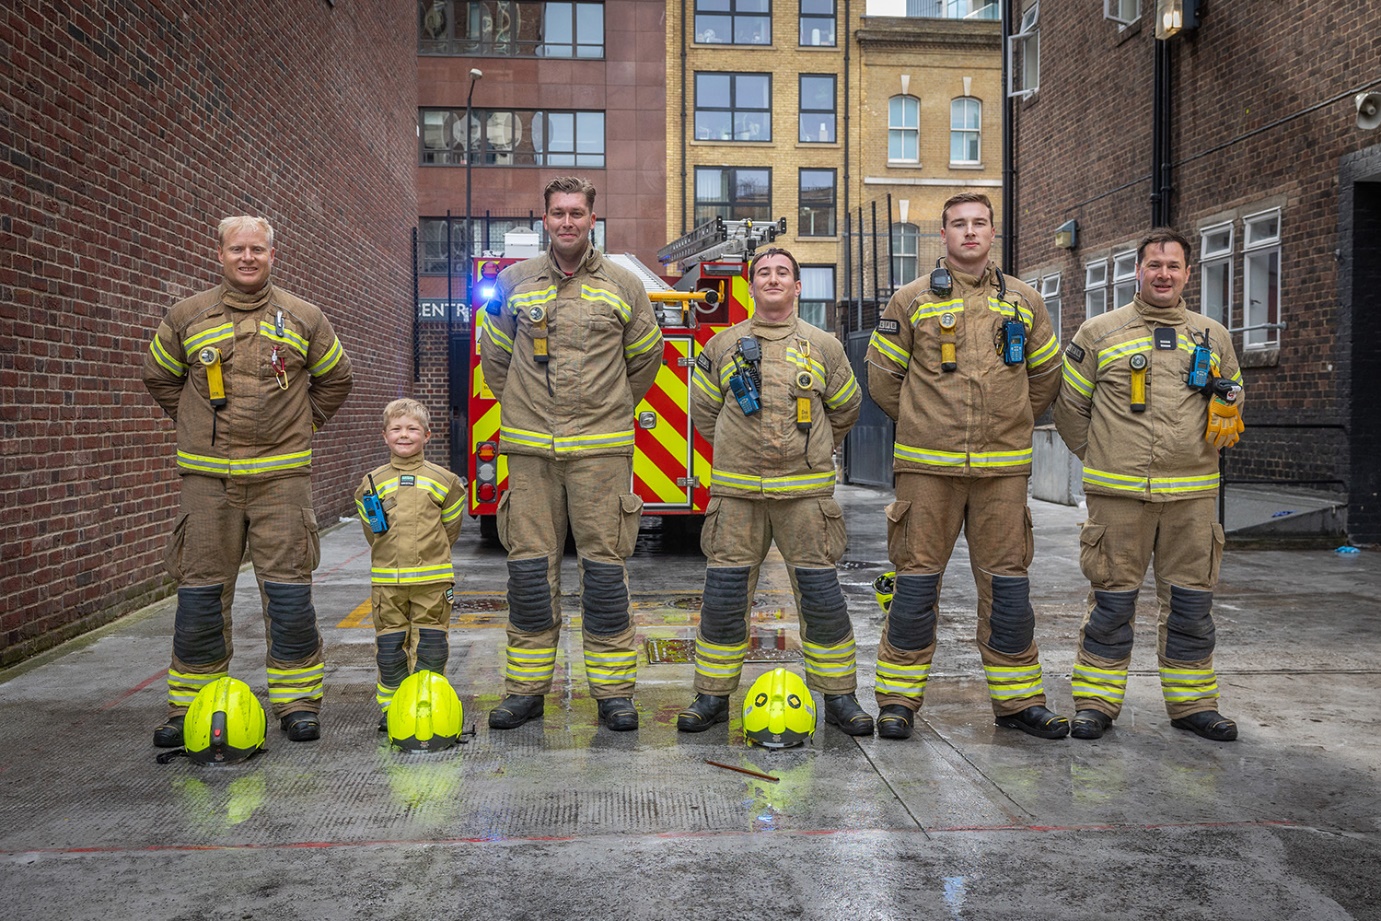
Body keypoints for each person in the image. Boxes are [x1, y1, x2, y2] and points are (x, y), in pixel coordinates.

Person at [865, 192, 1068, 742]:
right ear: (943, 234)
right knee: (915, 584)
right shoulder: (909, 301)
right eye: (959, 224)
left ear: (993, 233)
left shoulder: (1025, 301)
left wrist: (1014, 416)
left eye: (979, 223)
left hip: (1003, 469)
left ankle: (1018, 702)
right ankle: (898, 701)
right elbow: (883, 380)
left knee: (1007, 587)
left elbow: (1047, 377)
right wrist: (923, 419)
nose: (970, 232)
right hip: (926, 470)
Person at [142, 215, 353, 746]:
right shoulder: (186, 316)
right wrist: (194, 423)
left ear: (272, 255)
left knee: (287, 592)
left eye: (257, 249)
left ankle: (298, 702)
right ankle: (190, 708)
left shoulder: (304, 317)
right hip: (207, 481)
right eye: (237, 249)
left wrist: (303, 425)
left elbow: (337, 379)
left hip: (282, 479)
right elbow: (159, 377)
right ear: (219, 253)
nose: (247, 258)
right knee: (200, 593)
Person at [480, 176, 663, 732]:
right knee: (530, 571)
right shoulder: (514, 282)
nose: (566, 222)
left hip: (601, 452)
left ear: (591, 219)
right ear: (545, 218)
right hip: (531, 450)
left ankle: (613, 694)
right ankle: (526, 690)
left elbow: (646, 361)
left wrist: (608, 409)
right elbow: (495, 362)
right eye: (557, 212)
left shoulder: (624, 286)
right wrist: (527, 410)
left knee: (604, 571)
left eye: (576, 213)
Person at [1053, 228, 1244, 742]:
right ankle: (1095, 702)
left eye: (1173, 266)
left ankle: (1193, 705)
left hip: (1193, 495)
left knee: (1191, 603)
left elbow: (1233, 395)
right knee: (1113, 602)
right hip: (1118, 496)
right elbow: (1069, 408)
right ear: (1137, 271)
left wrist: (1230, 400)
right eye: (1154, 265)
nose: (1163, 274)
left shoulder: (1211, 336)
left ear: (1187, 273)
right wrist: (1101, 457)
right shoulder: (1099, 333)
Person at [676, 247, 872, 736]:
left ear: (798, 287)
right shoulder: (721, 347)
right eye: (763, 272)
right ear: (750, 286)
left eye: (783, 272)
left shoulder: (825, 346)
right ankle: (712, 695)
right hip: (737, 495)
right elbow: (703, 414)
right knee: (723, 598)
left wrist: (812, 448)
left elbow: (846, 408)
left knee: (821, 596)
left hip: (806, 497)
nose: (773, 279)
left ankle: (841, 696)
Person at [355, 399, 466, 732]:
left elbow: (450, 530)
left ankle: (428, 703)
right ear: (384, 435)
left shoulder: (445, 482)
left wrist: (430, 554)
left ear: (427, 435)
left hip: (432, 582)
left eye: (412, 429)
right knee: (390, 647)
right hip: (387, 583)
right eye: (396, 429)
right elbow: (371, 532)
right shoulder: (371, 484)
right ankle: (393, 710)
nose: (404, 435)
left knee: (431, 645)